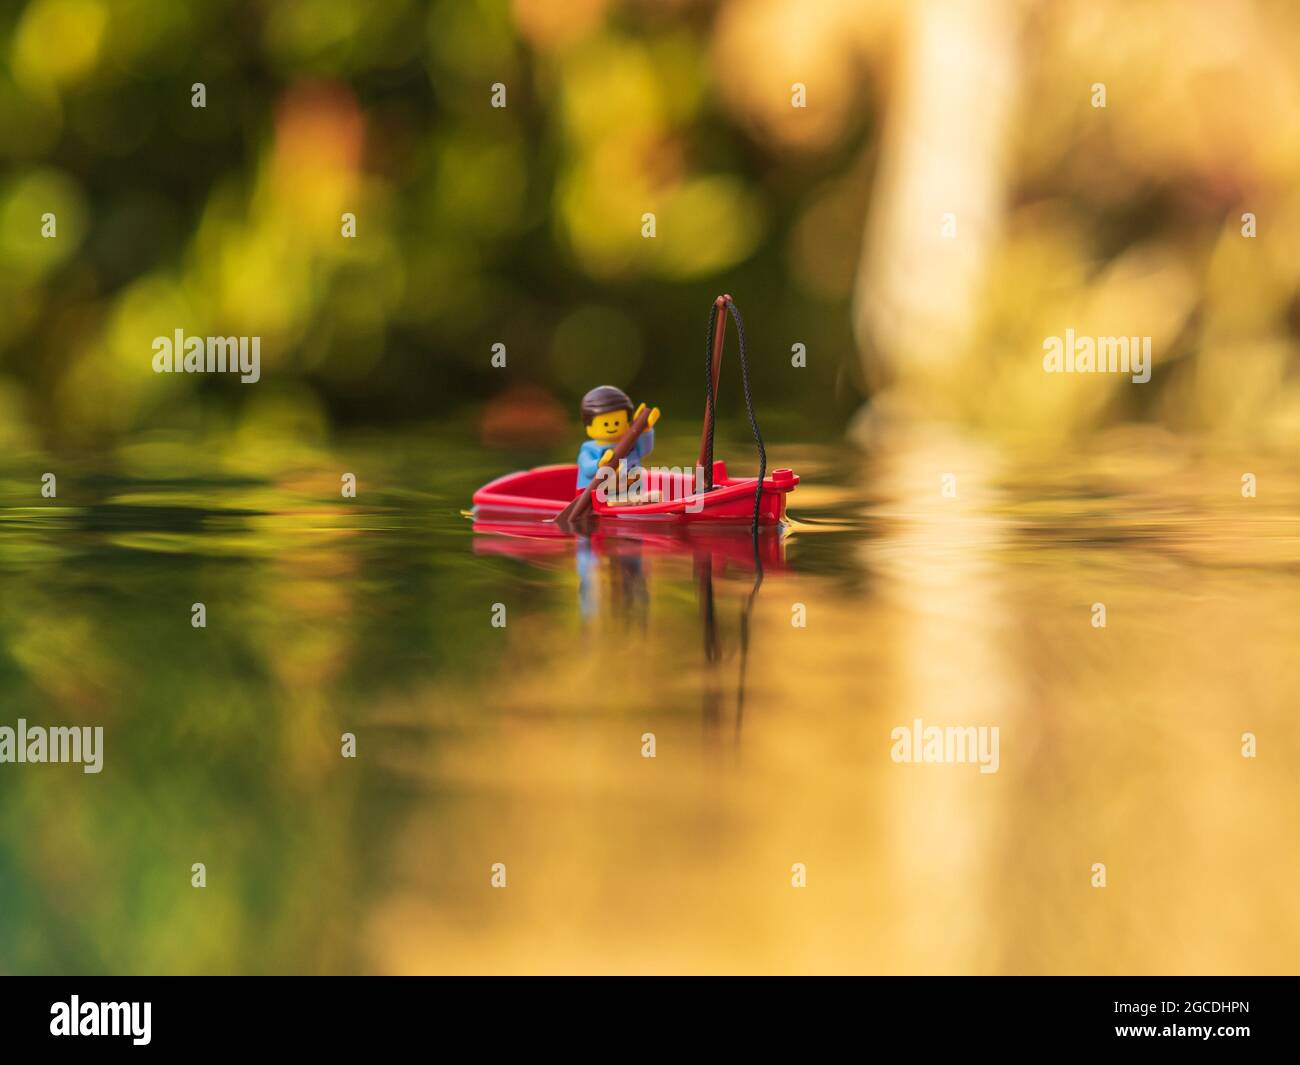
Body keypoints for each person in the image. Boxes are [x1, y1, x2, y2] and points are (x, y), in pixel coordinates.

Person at [575, 385, 659, 490]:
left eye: (617, 422)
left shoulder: (630, 443)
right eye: (605, 424)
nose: (612, 427)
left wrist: (645, 431)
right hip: (597, 495)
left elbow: (645, 450)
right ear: (588, 427)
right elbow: (587, 468)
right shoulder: (588, 450)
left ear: (628, 422)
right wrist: (599, 464)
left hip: (631, 489)